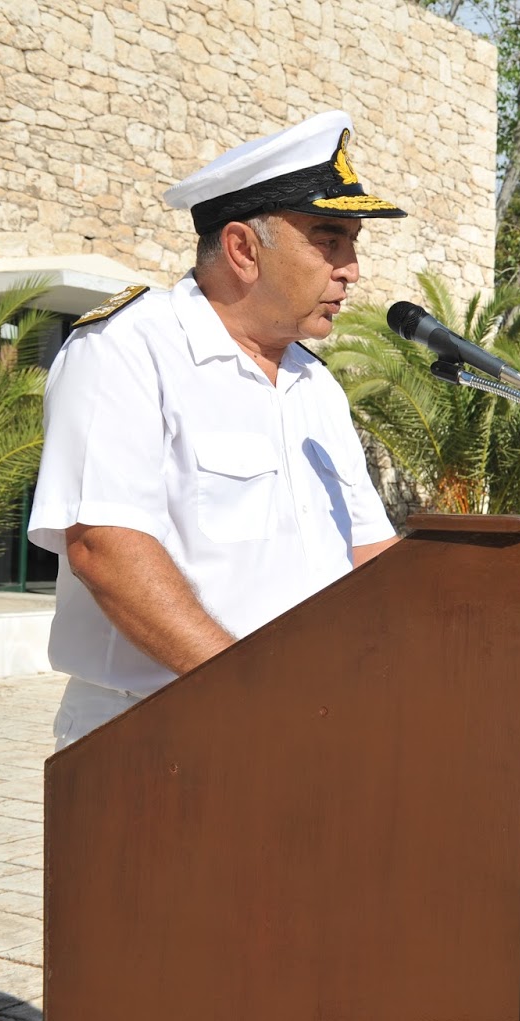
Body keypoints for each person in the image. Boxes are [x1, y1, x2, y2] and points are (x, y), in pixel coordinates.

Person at [29, 111, 405, 749]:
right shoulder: (128, 347)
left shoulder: (317, 387)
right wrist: (257, 696)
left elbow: (369, 555)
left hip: (307, 724)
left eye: (354, 244)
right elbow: (106, 546)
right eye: (329, 240)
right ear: (242, 249)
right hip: (159, 730)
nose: (352, 270)